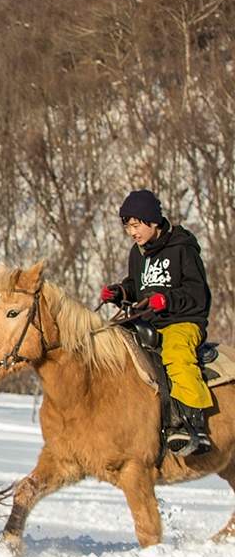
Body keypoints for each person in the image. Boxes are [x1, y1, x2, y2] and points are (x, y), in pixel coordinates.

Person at [101, 189, 213, 456]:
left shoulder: (183, 248)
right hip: (148, 323)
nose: (132, 232)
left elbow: (198, 295)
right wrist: (120, 292)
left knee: (176, 353)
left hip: (182, 322)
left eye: (136, 224)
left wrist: (167, 300)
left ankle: (190, 424)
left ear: (152, 221)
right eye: (127, 226)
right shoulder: (137, 253)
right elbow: (137, 287)